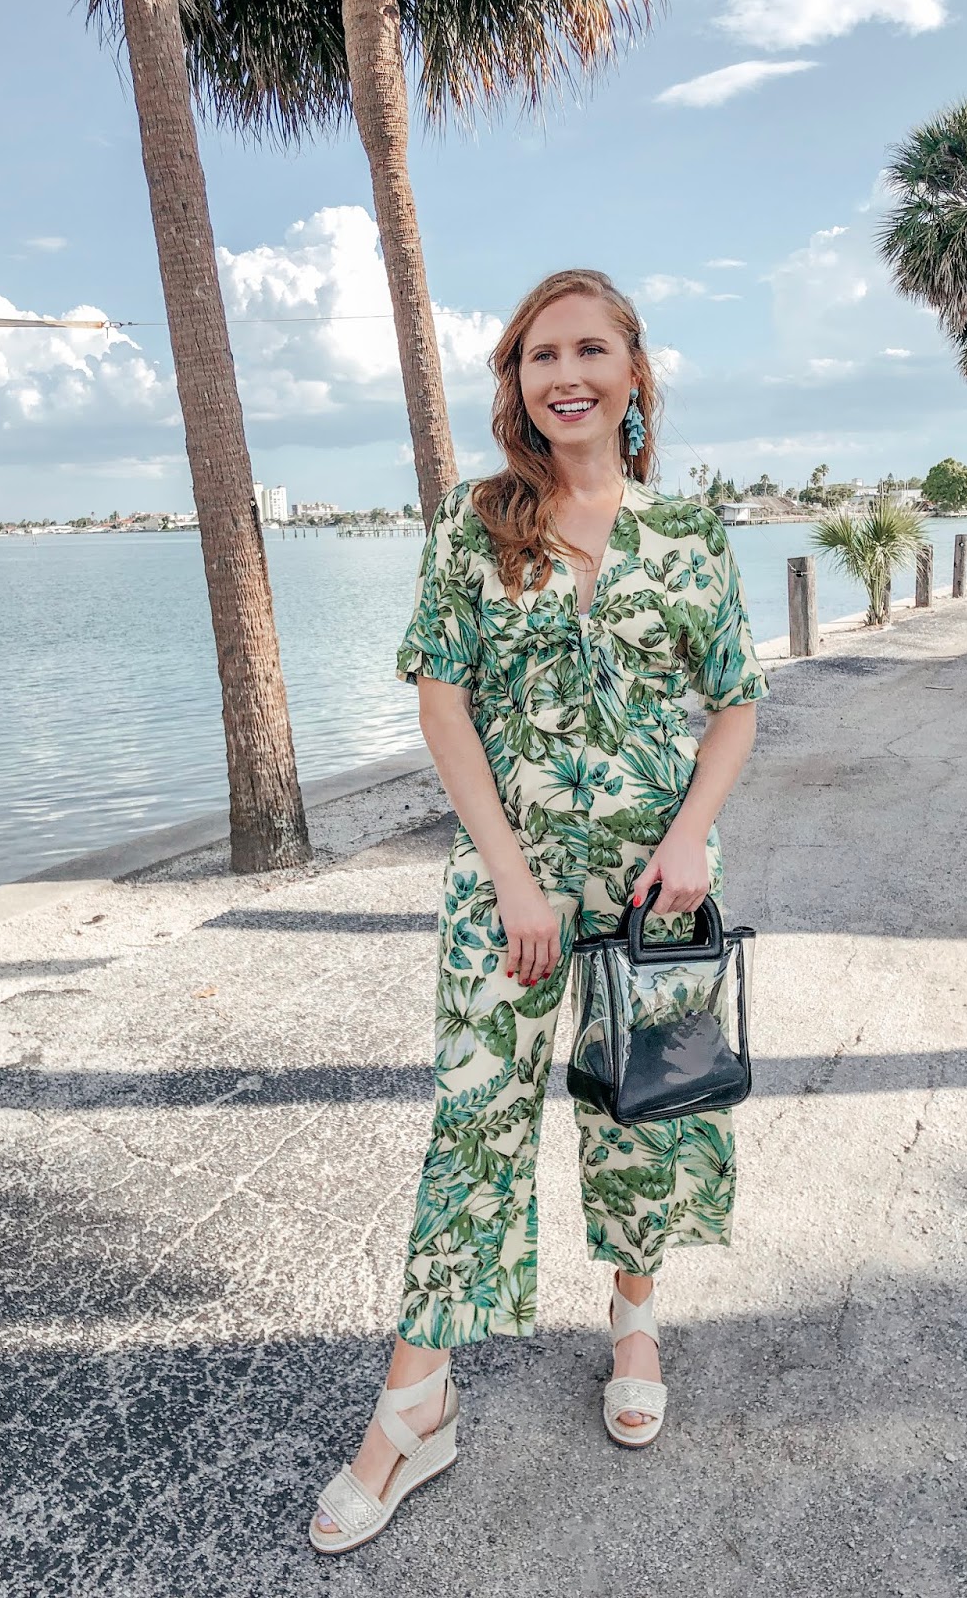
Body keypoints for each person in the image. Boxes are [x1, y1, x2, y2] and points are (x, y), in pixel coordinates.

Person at [310, 268, 769, 1553]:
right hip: (502, 883)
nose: (561, 374)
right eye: (536, 356)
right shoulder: (478, 525)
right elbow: (441, 703)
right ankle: (414, 1407)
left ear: (632, 373)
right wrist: (512, 874)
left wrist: (687, 844)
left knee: (646, 1106)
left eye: (588, 350)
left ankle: (634, 1317)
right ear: (514, 383)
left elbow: (735, 702)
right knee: (474, 1122)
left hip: (655, 882)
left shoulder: (689, 539)